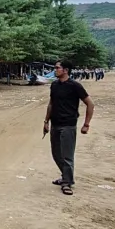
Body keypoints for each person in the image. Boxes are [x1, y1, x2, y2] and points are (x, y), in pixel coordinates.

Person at [43, 59, 94, 196]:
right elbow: (51, 104)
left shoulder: (75, 86)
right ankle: (65, 176)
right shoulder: (54, 85)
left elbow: (90, 104)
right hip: (55, 124)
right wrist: (46, 121)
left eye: (58, 68)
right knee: (56, 153)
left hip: (68, 125)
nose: (55, 70)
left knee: (67, 156)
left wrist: (86, 124)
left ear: (65, 70)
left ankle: (67, 182)